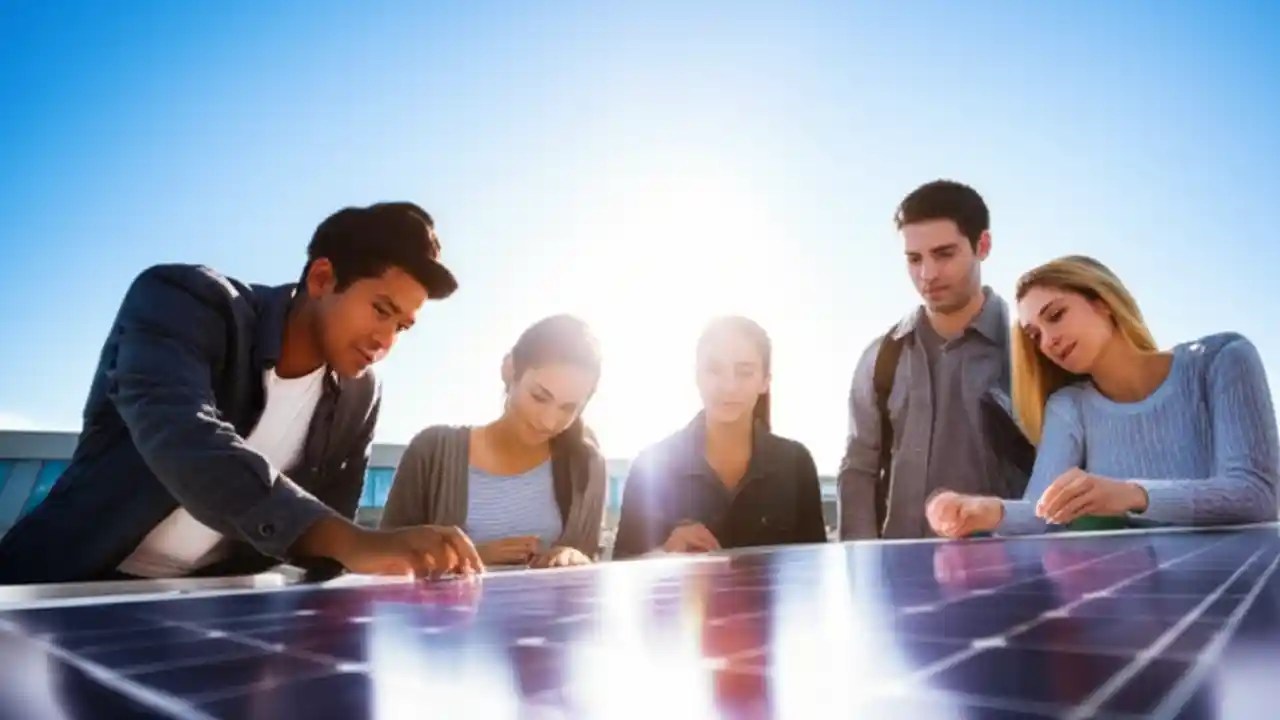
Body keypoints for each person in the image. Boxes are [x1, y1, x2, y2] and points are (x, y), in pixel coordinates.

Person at [0, 202, 483, 585]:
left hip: (203, 603)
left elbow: (331, 535)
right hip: (54, 587)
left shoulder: (360, 394)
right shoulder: (185, 300)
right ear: (321, 278)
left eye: (402, 326)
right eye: (381, 309)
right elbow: (185, 436)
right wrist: (352, 541)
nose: (387, 341)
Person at [927, 255, 1280, 537]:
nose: (1048, 341)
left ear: (1103, 303)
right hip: (1140, 602)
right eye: (1035, 335)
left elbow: (1256, 495)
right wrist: (985, 511)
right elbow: (1042, 513)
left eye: (1056, 315)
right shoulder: (1068, 406)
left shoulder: (1223, 359)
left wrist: (1131, 495)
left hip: (1239, 591)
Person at [837, 180, 1030, 540]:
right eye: (914, 259)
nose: (927, 274)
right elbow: (859, 469)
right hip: (896, 584)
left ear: (982, 246)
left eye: (944, 254)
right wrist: (863, 566)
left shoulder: (1030, 353)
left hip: (1008, 580)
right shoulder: (880, 358)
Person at [381, 315, 607, 568]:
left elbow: (590, 569)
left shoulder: (586, 466)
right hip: (452, 609)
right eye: (539, 397)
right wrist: (470, 558)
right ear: (510, 370)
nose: (549, 421)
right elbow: (383, 559)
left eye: (568, 408)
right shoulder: (432, 452)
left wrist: (576, 558)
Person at [612, 316, 826, 559]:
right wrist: (665, 552)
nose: (728, 386)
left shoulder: (796, 464)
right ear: (696, 376)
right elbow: (622, 572)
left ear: (765, 381)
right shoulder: (651, 466)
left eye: (744, 372)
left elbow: (815, 569)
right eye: (714, 370)